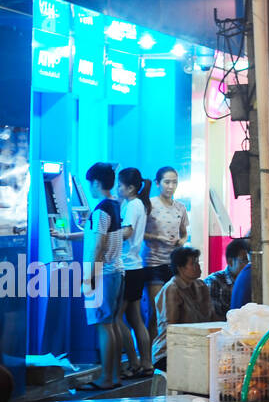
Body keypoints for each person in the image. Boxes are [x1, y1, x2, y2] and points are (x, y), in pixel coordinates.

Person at [53, 163, 124, 389]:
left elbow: (98, 245)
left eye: (89, 183)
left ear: (95, 183)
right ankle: (113, 375)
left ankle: (106, 378)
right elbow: (93, 235)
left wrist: (90, 276)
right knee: (110, 324)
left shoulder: (102, 209)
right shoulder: (113, 205)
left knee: (104, 325)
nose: (89, 188)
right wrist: (66, 236)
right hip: (115, 272)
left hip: (103, 273)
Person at [143, 166, 188, 343]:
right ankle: (150, 355)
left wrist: (182, 241)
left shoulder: (180, 207)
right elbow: (138, 232)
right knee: (155, 311)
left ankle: (167, 352)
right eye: (167, 182)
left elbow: (184, 232)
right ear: (157, 183)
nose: (171, 186)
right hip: (153, 263)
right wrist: (157, 237)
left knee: (172, 311)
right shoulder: (150, 205)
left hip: (173, 265)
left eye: (174, 182)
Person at [116, 167, 153, 378]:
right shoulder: (138, 204)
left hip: (126, 268)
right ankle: (146, 363)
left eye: (120, 185)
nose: (118, 188)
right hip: (136, 267)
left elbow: (126, 232)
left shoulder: (132, 205)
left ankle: (133, 362)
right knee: (136, 318)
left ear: (130, 188)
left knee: (116, 318)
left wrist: (104, 234)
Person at [151, 246, 213, 372]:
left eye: (197, 261)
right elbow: (171, 328)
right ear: (180, 268)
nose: (198, 266)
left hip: (195, 346)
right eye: (193, 263)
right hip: (170, 351)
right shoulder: (172, 289)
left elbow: (210, 317)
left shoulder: (201, 286)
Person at [203, 238, 251, 321]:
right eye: (244, 260)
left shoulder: (250, 281)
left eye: (250, 261)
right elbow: (213, 316)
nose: (248, 265)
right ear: (230, 262)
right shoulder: (214, 282)